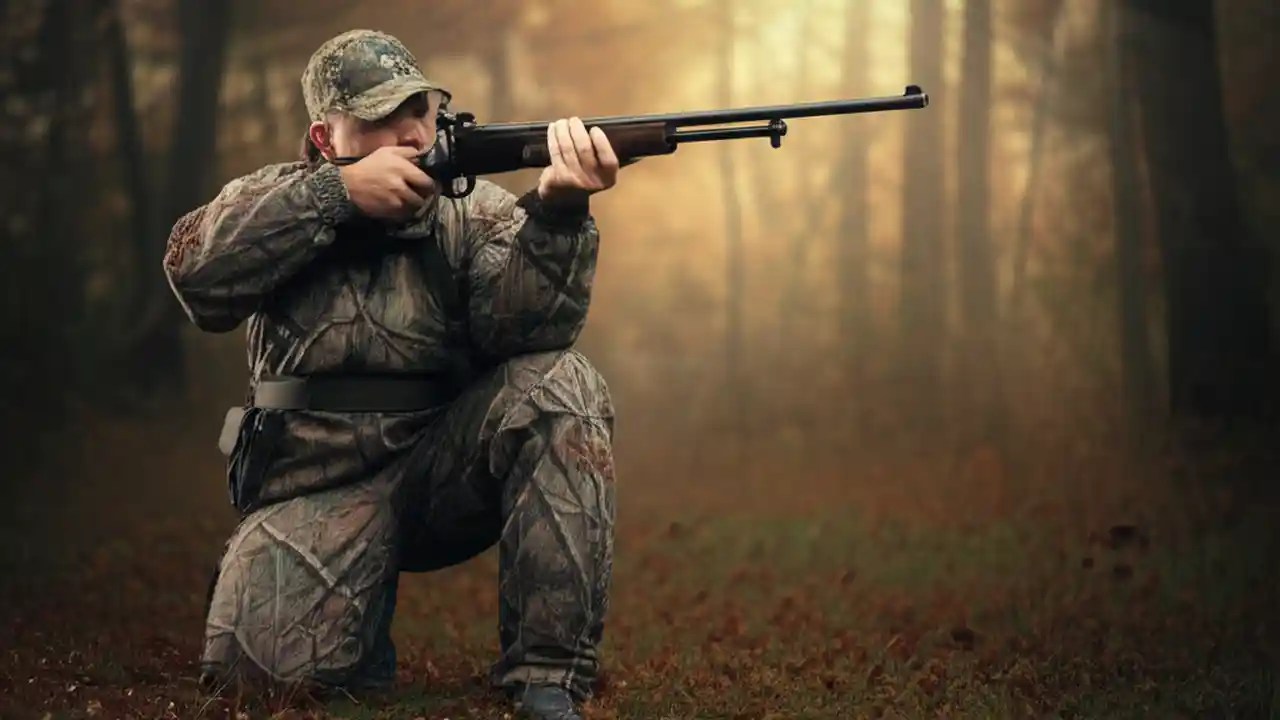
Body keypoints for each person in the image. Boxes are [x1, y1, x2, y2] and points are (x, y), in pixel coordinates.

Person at [163, 28, 619, 720]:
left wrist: (557, 215)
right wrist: (334, 198)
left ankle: (548, 678)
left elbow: (527, 335)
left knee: (564, 383)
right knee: (255, 682)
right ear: (324, 137)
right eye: (379, 118)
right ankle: (334, 614)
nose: (410, 132)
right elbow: (195, 275)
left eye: (420, 111)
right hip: (314, 489)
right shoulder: (276, 200)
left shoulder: (474, 211)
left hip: (438, 476)